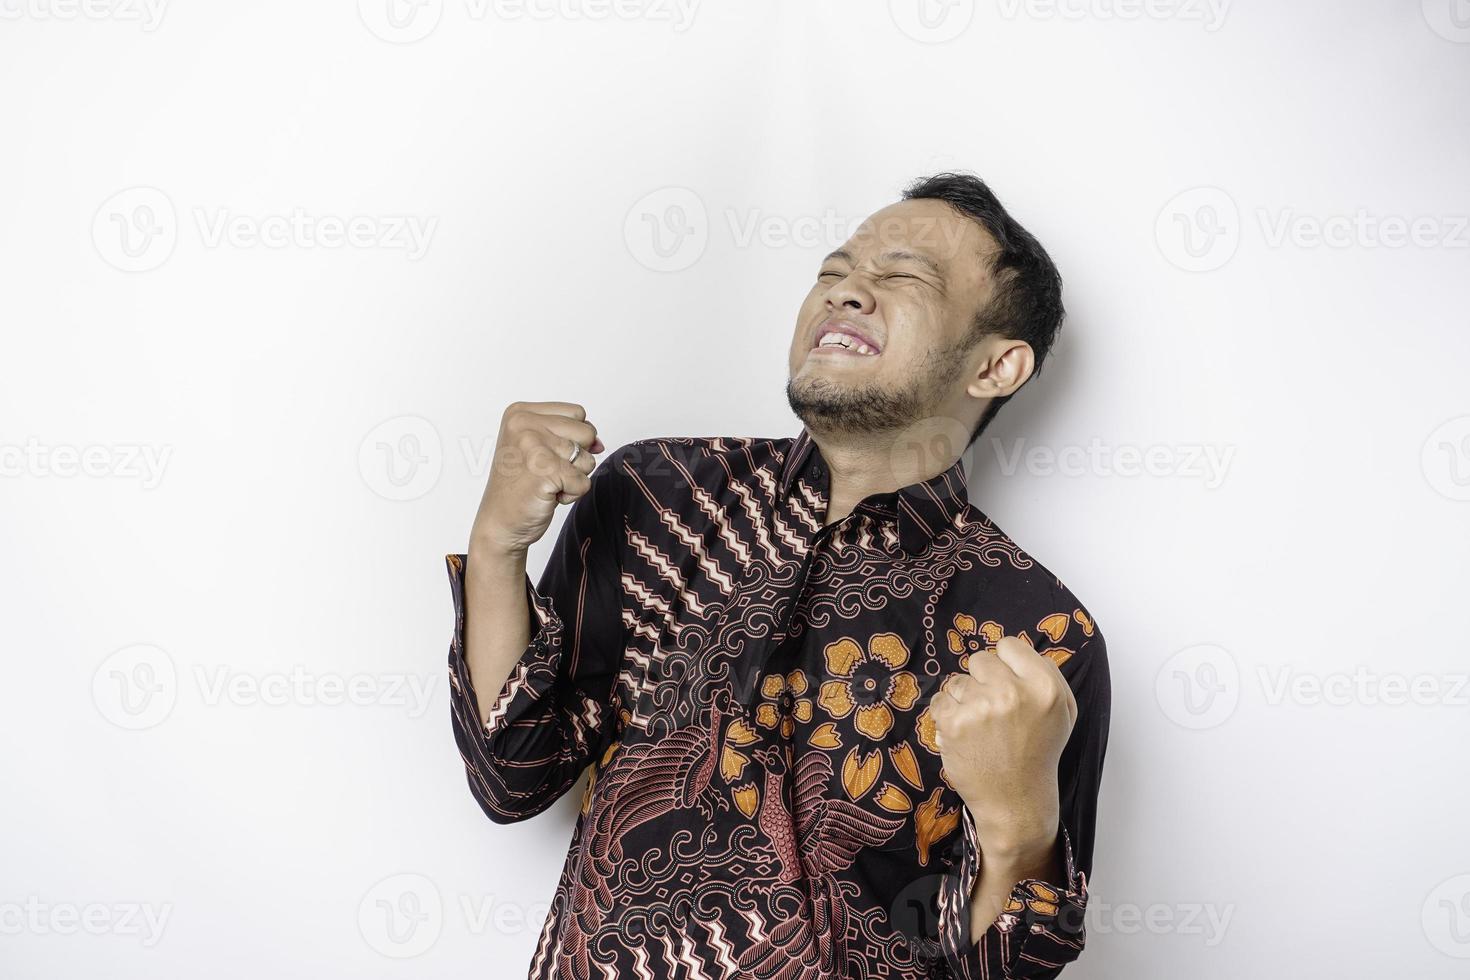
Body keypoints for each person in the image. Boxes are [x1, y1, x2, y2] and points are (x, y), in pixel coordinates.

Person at [444, 172, 1111, 979]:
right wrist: (495, 546)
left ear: (997, 367)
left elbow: (997, 967)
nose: (848, 293)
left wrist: (1018, 823)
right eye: (834, 272)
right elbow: (510, 773)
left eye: (902, 277)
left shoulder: (1034, 636)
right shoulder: (656, 495)